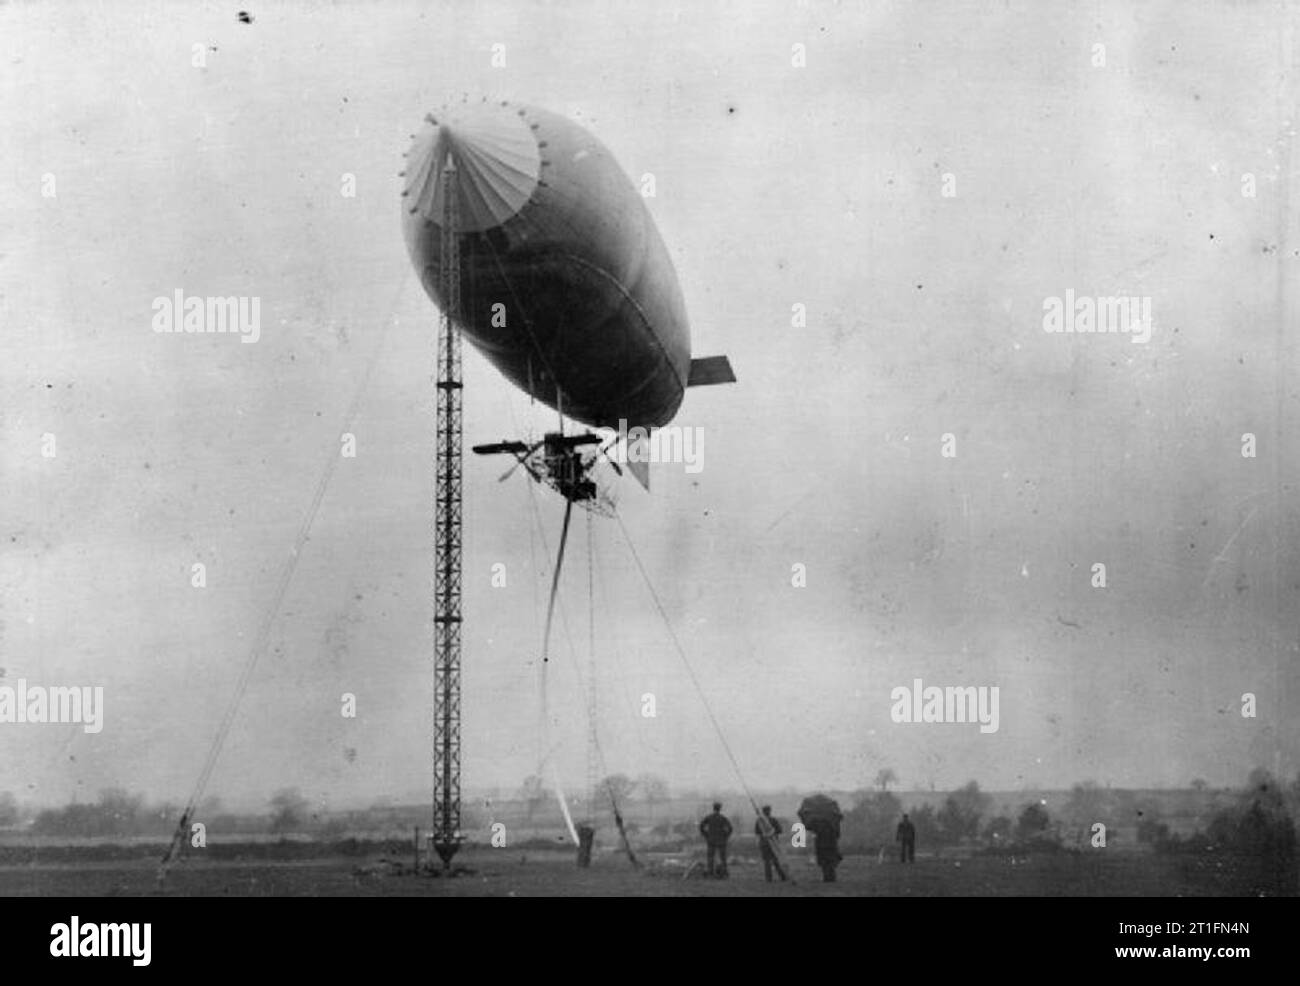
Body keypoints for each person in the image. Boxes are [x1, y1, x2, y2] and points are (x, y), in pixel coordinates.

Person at [699, 802, 733, 878]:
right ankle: (724, 873)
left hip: (711, 840)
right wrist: (725, 836)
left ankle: (710, 872)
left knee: (710, 857)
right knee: (723, 857)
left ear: (713, 808)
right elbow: (730, 828)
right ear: (720, 809)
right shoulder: (722, 818)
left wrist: (706, 835)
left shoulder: (709, 817)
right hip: (721, 840)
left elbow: (701, 826)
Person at [754, 805, 784, 882]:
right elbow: (780, 830)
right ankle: (783, 876)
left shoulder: (759, 821)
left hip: (764, 843)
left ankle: (768, 878)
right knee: (776, 860)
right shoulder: (773, 820)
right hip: (774, 843)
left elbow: (757, 832)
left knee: (767, 861)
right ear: (770, 811)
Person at [811, 816, 842, 882]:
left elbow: (814, 833)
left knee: (824, 862)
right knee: (831, 862)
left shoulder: (817, 823)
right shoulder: (834, 823)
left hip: (821, 845)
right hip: (831, 845)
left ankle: (827, 877)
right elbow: (838, 834)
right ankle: (831, 877)